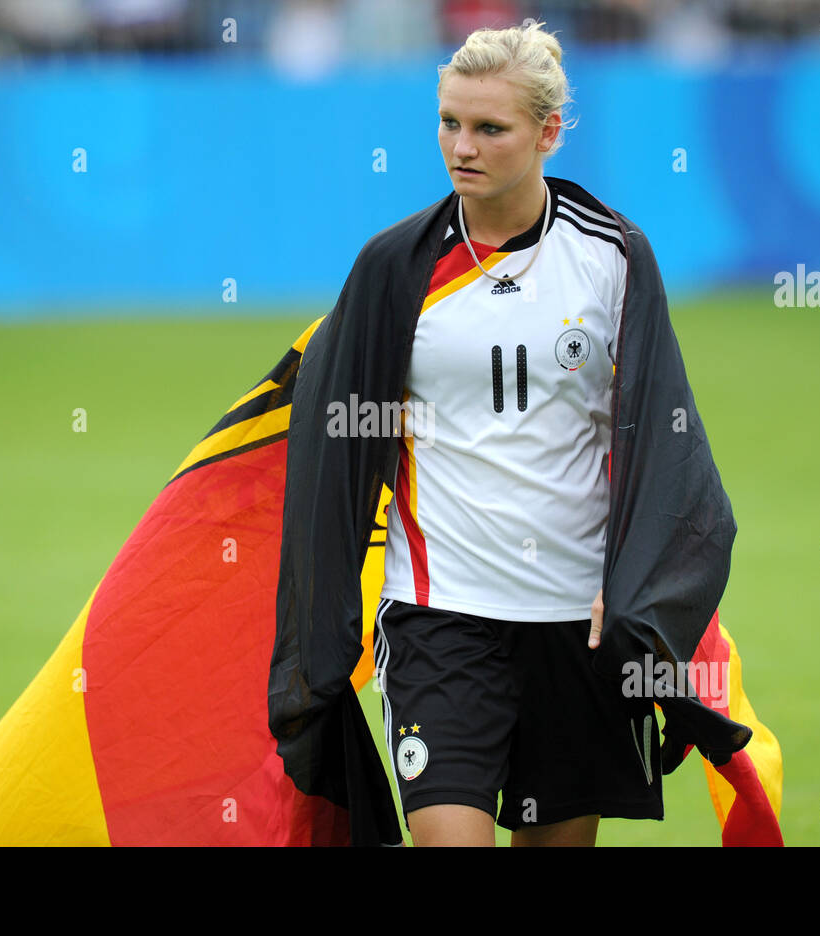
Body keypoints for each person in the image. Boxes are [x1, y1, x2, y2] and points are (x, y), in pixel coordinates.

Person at [365, 20, 650, 847]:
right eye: (450, 123)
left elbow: (653, 437)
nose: (464, 146)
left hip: (575, 624)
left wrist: (638, 576)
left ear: (549, 133)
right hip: (438, 615)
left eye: (490, 128)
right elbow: (331, 426)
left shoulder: (614, 259)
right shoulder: (396, 266)